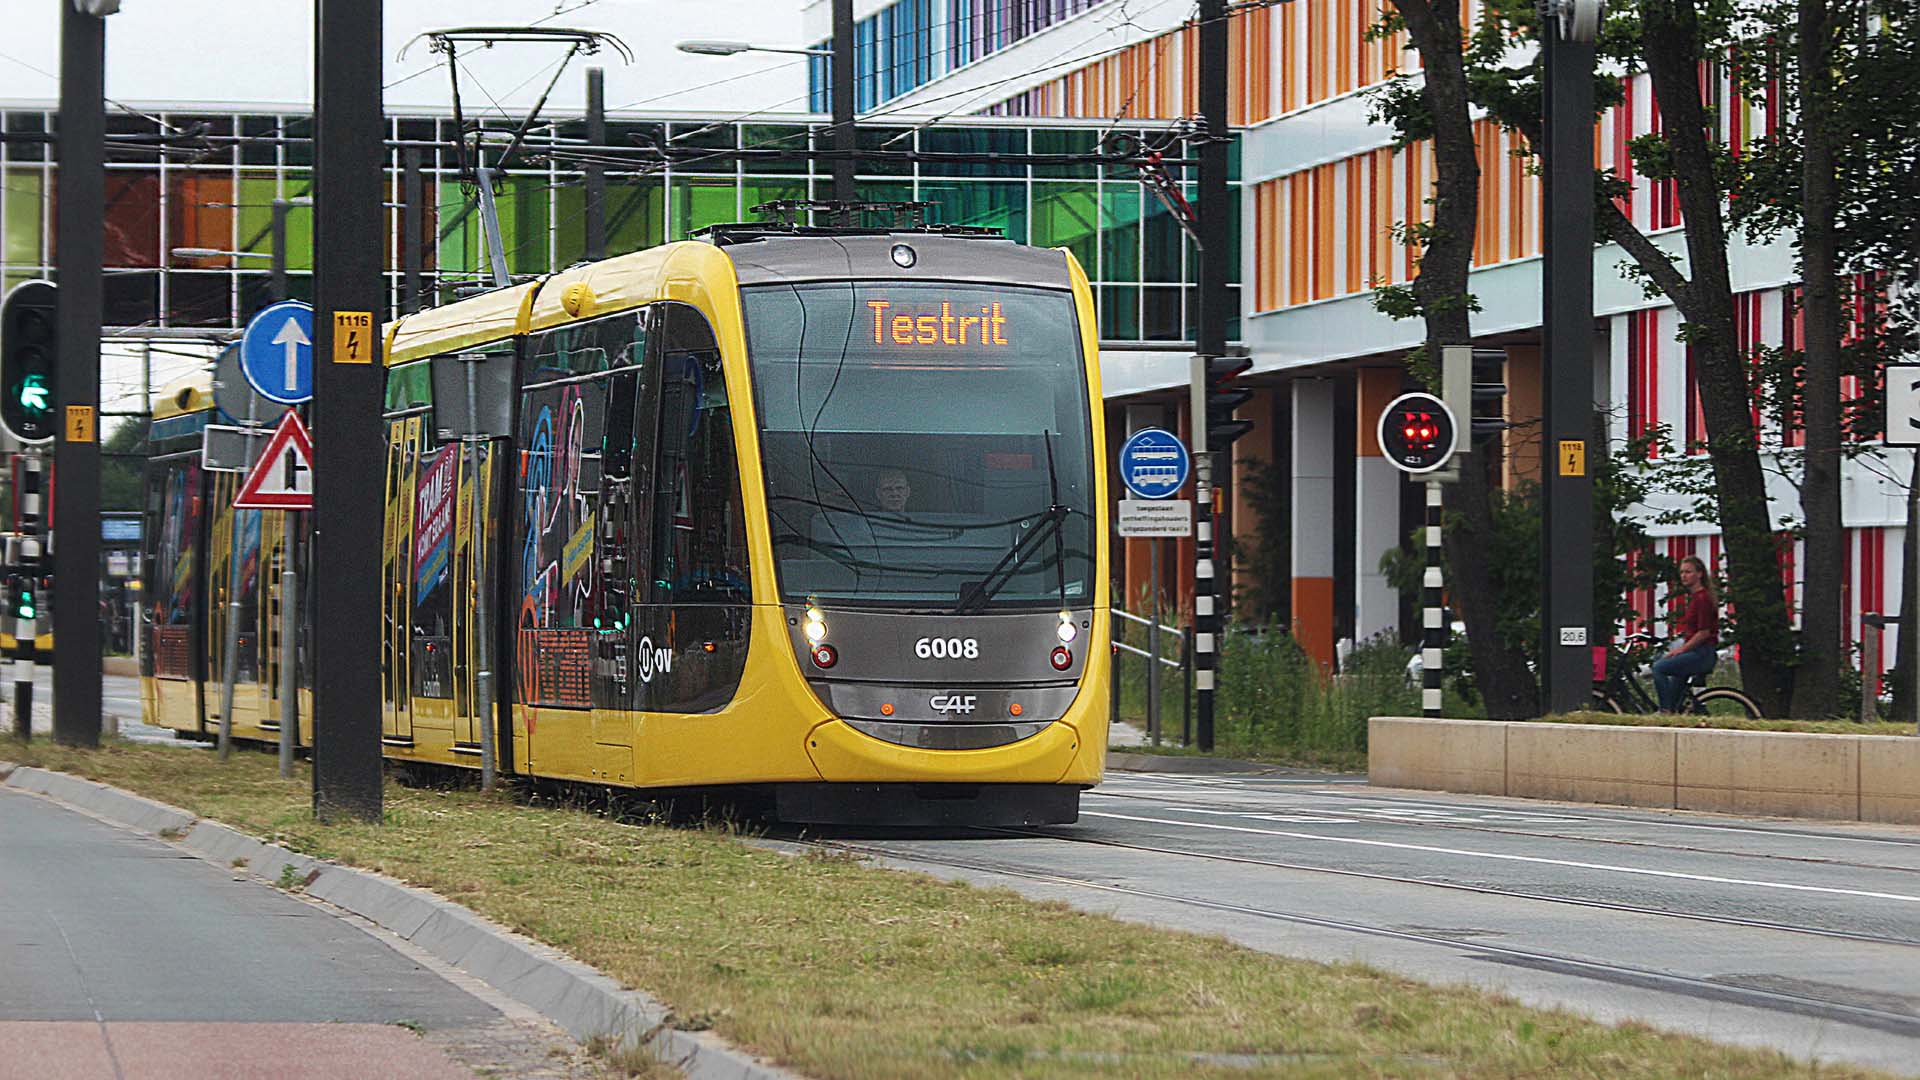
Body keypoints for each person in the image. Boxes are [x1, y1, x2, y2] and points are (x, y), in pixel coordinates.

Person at [1651, 555, 1719, 711]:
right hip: (1697, 652)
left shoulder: (1702, 599)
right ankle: (1674, 712)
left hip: (1701, 653)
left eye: (1688, 572)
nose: (1683, 576)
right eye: (1682, 572)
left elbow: (1703, 632)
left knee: (1659, 668)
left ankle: (1665, 711)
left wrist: (1681, 650)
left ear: (1699, 574)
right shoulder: (1696, 598)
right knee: (1675, 696)